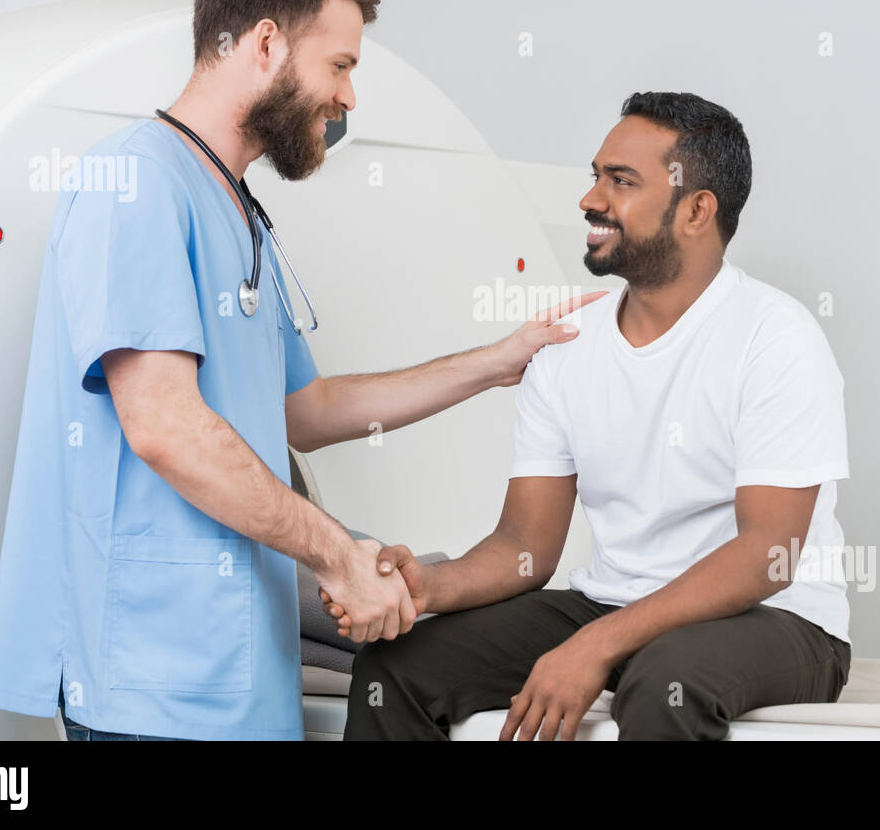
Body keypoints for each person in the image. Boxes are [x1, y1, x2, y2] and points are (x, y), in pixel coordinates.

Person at [0, 0, 602, 741]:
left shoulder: (240, 212)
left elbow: (304, 409)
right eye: (340, 65)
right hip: (152, 680)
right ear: (267, 42)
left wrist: (493, 362)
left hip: (242, 673)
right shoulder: (135, 184)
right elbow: (165, 426)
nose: (348, 97)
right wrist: (339, 555)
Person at [327, 92, 852, 741]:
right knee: (396, 668)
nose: (591, 198)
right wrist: (427, 585)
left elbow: (767, 556)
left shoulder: (774, 338)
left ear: (696, 209)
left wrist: (598, 643)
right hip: (613, 602)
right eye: (596, 175)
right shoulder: (569, 343)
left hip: (779, 617)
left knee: (665, 686)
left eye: (621, 180)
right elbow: (525, 546)